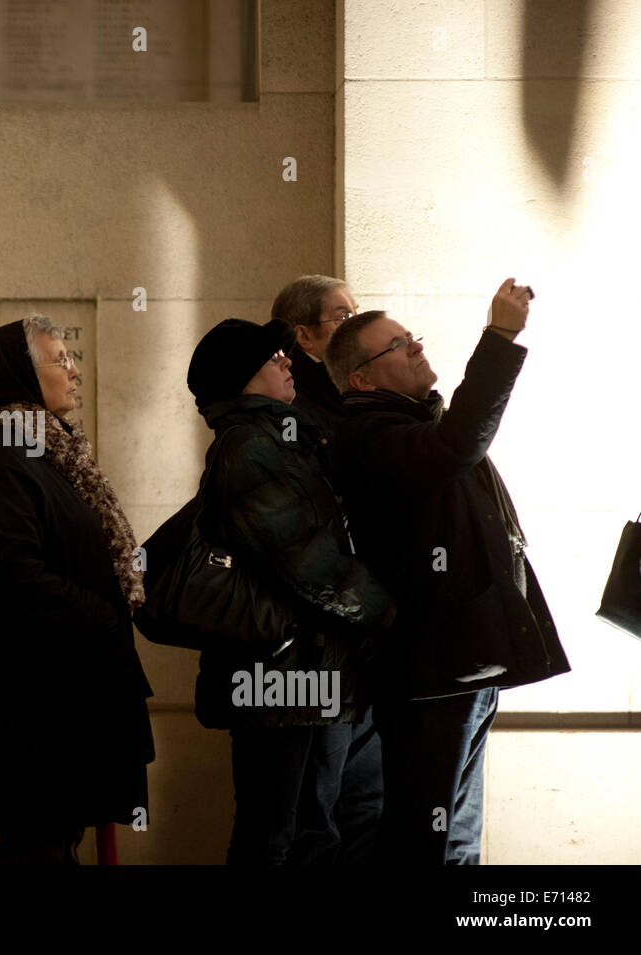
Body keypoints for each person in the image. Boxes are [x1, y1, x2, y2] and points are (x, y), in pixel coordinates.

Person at [323, 279, 570, 864]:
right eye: (396, 346)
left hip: (460, 663)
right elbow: (457, 445)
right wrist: (500, 337)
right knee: (424, 831)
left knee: (456, 828)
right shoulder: (370, 434)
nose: (414, 348)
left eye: (412, 338)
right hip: (431, 667)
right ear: (361, 379)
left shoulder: (411, 423)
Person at [186, 317, 396, 865]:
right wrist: (386, 615)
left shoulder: (282, 437)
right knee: (283, 835)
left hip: (307, 671)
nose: (286, 361)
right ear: (241, 379)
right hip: (284, 679)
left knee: (308, 829)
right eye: (272, 357)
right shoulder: (252, 448)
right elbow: (307, 563)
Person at [0, 315, 155, 864]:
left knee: (55, 839)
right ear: (20, 374)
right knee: (36, 843)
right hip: (33, 699)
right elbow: (13, 573)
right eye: (60, 359)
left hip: (68, 688)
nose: (75, 370)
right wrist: (104, 613)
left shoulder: (50, 451)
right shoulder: (1, 455)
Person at [270, 275, 383, 861]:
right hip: (317, 642)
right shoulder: (297, 416)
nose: (356, 325)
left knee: (363, 802)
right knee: (313, 811)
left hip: (356, 639)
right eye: (343, 316)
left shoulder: (356, 402)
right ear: (304, 336)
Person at [270, 274, 358, 438]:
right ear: (304, 336)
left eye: (357, 313)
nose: (359, 327)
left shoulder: (350, 380)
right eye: (344, 317)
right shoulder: (288, 400)